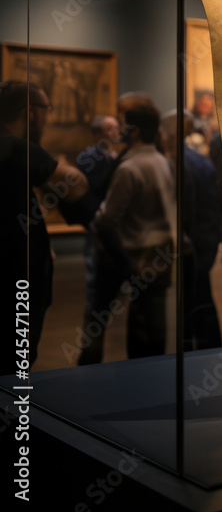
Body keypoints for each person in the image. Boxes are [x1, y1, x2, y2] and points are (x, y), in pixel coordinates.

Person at [0, 80, 90, 370]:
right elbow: (76, 186)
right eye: (46, 110)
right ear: (30, 113)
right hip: (17, 282)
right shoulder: (18, 149)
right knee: (15, 364)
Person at [92, 103, 176, 358]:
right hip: (159, 255)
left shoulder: (130, 168)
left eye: (124, 125)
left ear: (135, 132)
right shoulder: (162, 162)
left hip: (132, 256)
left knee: (130, 328)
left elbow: (106, 220)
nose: (119, 130)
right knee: (152, 329)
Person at [162, 109, 222, 351]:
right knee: (195, 309)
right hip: (192, 252)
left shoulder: (194, 164)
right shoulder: (187, 162)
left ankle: (208, 353)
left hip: (194, 252)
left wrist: (204, 255)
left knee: (198, 309)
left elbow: (207, 214)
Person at [75, 115, 120, 365]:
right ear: (98, 133)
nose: (116, 131)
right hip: (99, 234)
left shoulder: (113, 157)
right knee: (96, 299)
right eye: (109, 128)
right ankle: (89, 358)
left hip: (110, 234)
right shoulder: (89, 159)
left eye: (116, 127)